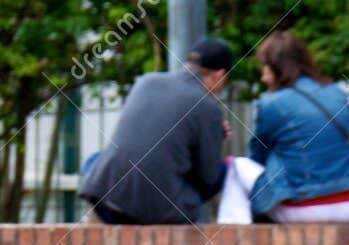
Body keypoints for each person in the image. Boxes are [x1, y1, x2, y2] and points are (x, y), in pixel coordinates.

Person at [78, 38, 234, 225]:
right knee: (225, 169)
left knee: (96, 160)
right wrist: (214, 139)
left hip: (103, 200)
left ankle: (94, 219)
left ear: (188, 65)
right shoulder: (208, 108)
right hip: (156, 212)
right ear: (219, 76)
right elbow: (207, 176)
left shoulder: (146, 82)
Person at [245, 31, 349, 222]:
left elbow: (258, 158)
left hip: (304, 206)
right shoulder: (337, 93)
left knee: (239, 169)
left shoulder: (271, 104)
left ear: (278, 67)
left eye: (266, 67)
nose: (263, 77)